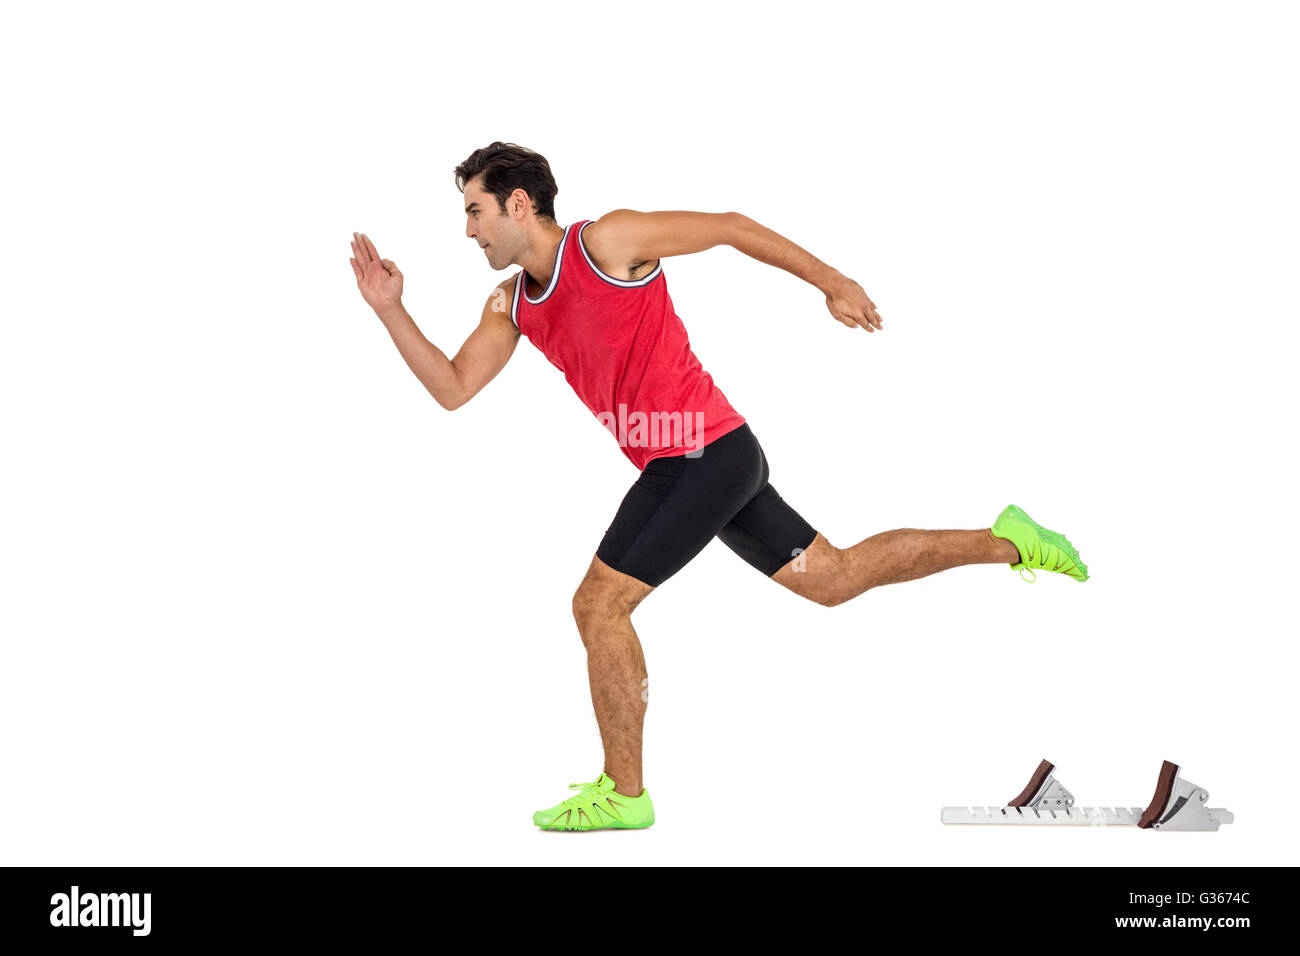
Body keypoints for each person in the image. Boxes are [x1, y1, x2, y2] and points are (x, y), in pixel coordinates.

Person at [348, 141, 1088, 831]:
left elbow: (730, 227)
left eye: (473, 211)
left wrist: (832, 282)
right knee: (832, 578)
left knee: (599, 603)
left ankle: (625, 795)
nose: (468, 231)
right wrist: (389, 310)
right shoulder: (512, 305)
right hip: (709, 462)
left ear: (516, 204)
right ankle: (1012, 541)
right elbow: (453, 387)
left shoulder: (606, 243)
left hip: (702, 455)